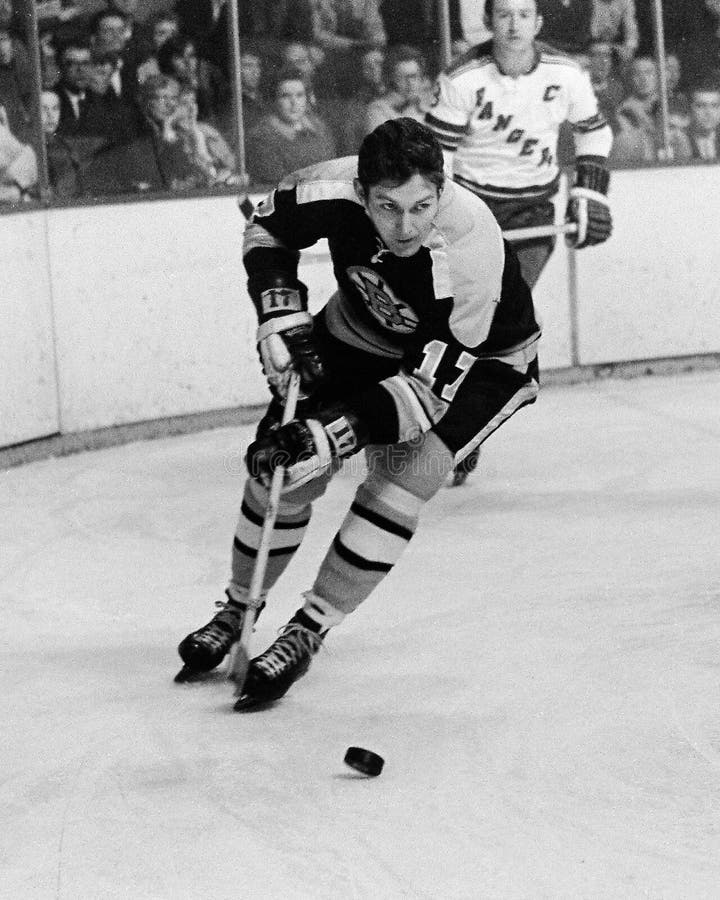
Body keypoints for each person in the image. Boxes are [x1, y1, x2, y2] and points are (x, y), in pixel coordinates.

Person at [175, 117, 541, 707]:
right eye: (387, 207)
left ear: (441, 191)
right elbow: (268, 232)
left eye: (422, 206)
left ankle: (308, 627)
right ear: (361, 193)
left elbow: (428, 387)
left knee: (402, 477)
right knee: (277, 466)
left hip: (479, 365)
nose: (405, 226)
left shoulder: (470, 246)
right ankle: (237, 611)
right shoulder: (326, 187)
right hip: (366, 326)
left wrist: (335, 434)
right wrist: (280, 312)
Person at [424, 0, 613, 484]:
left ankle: (465, 432)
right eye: (504, 15)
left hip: (533, 210)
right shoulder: (463, 77)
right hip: (473, 208)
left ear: (538, 23)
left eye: (524, 14)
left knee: (500, 316)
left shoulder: (565, 73)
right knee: (461, 322)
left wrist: (591, 192)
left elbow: (594, 133)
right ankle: (441, 419)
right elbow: (435, 155)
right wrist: (436, 216)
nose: (514, 25)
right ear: (488, 23)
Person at [245, 66, 336, 185]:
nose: (294, 102)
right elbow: (276, 182)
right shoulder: (261, 137)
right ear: (274, 100)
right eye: (285, 96)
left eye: (299, 95)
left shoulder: (320, 129)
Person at [364, 44, 432, 135]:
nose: (410, 83)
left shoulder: (427, 106)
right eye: (402, 77)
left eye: (414, 76)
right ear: (392, 79)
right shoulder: (378, 110)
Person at [676, 79, 720, 161]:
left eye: (714, 106)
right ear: (689, 109)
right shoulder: (679, 141)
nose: (708, 112)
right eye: (701, 106)